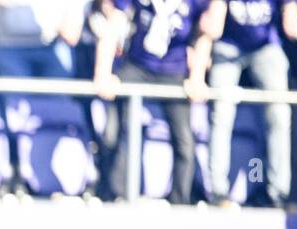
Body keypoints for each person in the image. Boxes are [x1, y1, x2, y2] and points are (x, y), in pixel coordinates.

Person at [94, 0, 224, 204]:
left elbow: (205, 35)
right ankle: (114, 193)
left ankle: (180, 200)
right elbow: (113, 24)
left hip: (174, 70)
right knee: (119, 129)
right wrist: (103, 73)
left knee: (184, 139)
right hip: (138, 65)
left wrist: (197, 77)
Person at [206, 0, 297, 207]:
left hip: (265, 45)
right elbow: (213, 24)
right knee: (221, 111)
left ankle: (278, 192)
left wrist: (292, 17)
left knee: (279, 113)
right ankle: (217, 190)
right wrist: (210, 24)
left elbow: (293, 19)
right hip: (228, 44)